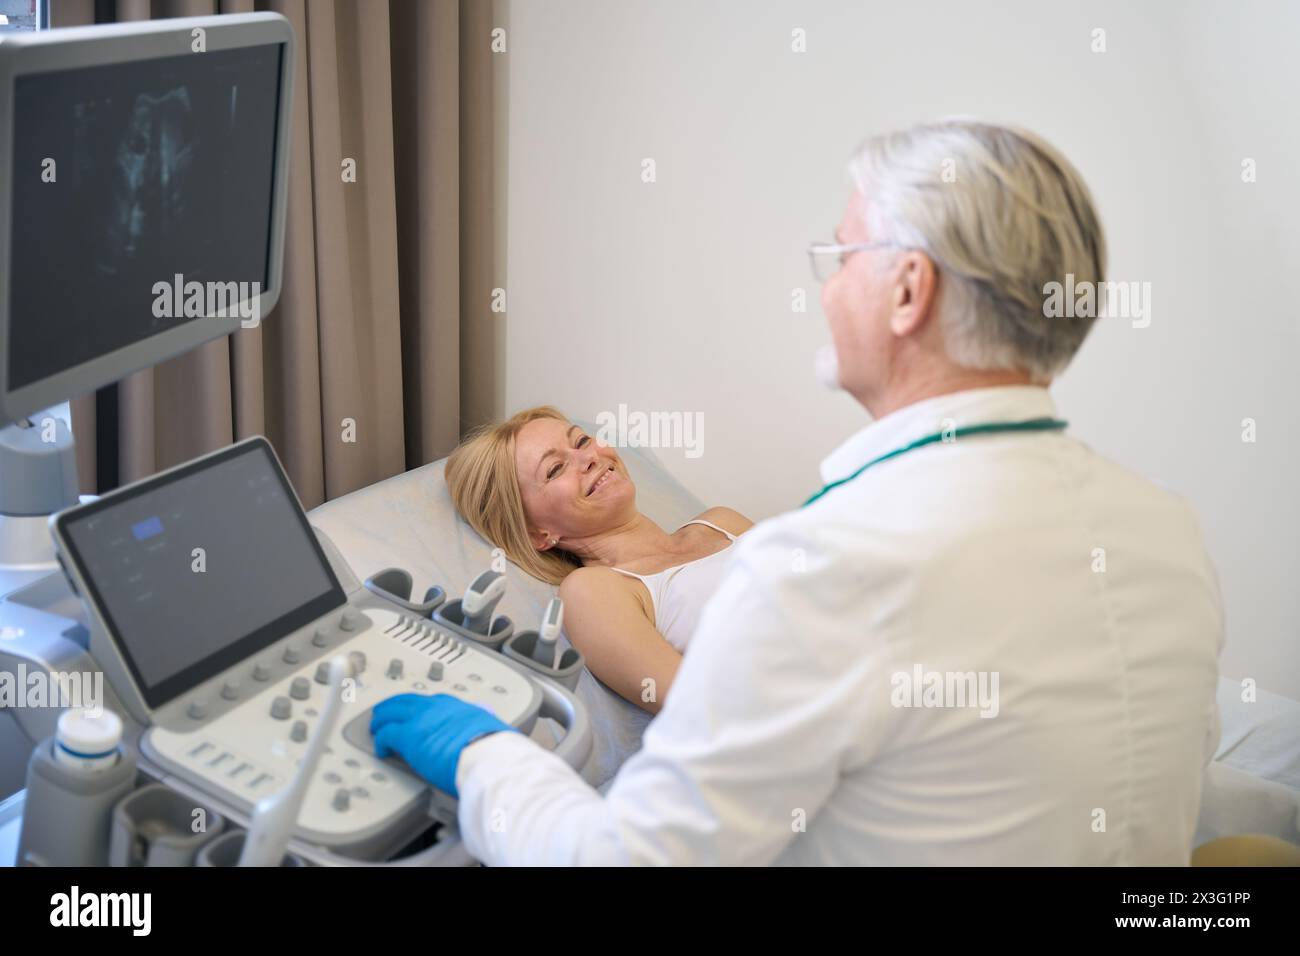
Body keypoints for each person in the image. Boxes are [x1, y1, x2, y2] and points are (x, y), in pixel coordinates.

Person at [371, 119, 1224, 865]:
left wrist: (486, 756)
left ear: (906, 291)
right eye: (553, 467)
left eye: (840, 257)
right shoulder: (1164, 531)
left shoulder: (832, 566)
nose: (825, 287)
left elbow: (627, 857)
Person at [443, 408, 754, 713]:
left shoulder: (724, 523)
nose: (588, 457)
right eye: (555, 469)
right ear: (538, 533)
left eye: (580, 441)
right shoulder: (592, 590)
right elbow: (699, 708)